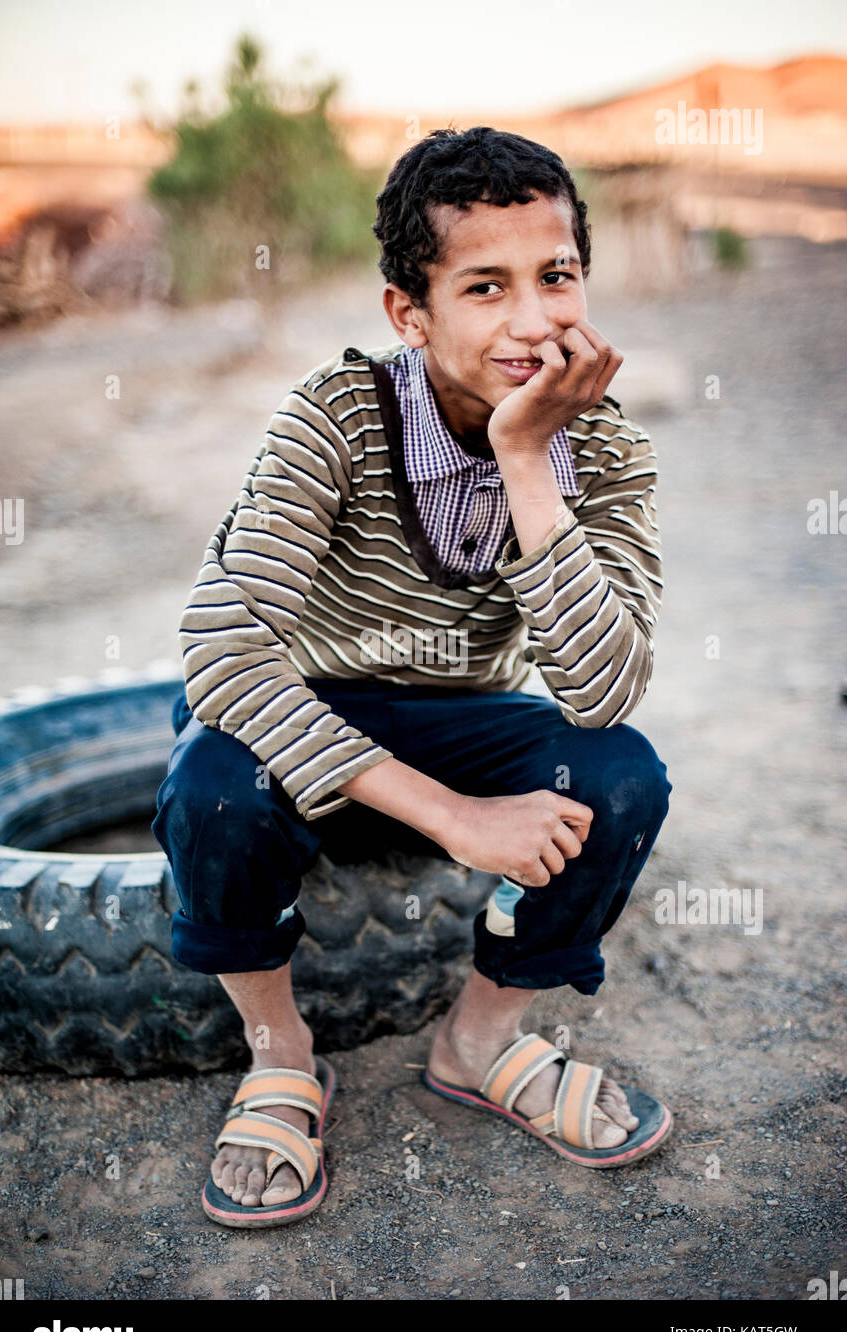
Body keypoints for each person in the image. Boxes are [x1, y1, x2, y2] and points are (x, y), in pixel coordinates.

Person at [152, 126, 674, 1228]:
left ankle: (480, 1041)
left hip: (465, 713)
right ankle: (281, 1055)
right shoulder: (335, 419)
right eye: (485, 286)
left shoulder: (603, 444)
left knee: (619, 774)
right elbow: (223, 652)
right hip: (310, 703)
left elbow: (604, 688)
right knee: (215, 786)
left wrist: (529, 460)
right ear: (410, 312)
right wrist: (454, 819)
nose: (534, 321)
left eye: (558, 277)